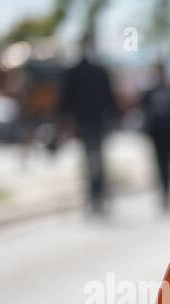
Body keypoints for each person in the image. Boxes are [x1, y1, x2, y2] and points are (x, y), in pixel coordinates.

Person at [59, 35, 120, 215]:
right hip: (86, 122)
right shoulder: (79, 70)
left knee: (94, 160)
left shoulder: (97, 70)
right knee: (92, 160)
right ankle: (95, 195)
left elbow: (108, 97)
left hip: (94, 122)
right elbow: (67, 98)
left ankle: (98, 195)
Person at [140, 62, 170, 212]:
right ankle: (163, 193)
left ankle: (168, 192)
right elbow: (144, 111)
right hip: (157, 134)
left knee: (169, 164)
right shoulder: (149, 92)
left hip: (169, 134)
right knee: (160, 164)